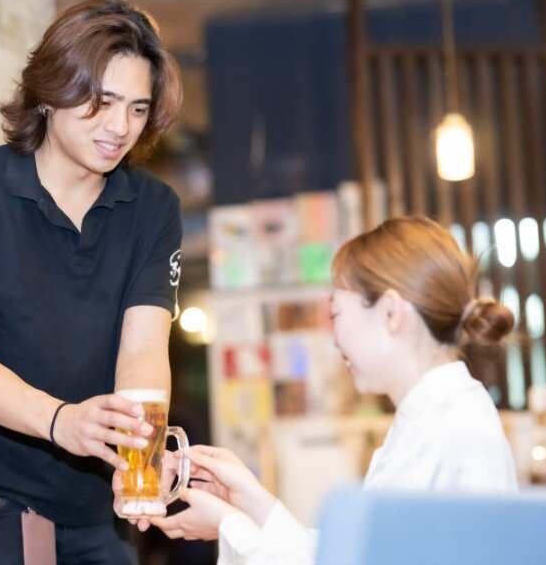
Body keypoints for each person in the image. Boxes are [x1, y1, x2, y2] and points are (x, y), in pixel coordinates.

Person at [0, 0, 184, 564]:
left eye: (137, 109)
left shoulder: (154, 208)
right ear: (49, 91)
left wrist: (142, 463)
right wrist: (61, 421)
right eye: (102, 102)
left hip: (96, 507)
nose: (120, 127)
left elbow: (143, 352)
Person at [133, 216, 518, 563]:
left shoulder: (448, 430)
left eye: (336, 314)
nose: (334, 338)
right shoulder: (437, 416)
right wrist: (250, 500)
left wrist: (230, 523)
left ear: (390, 312)